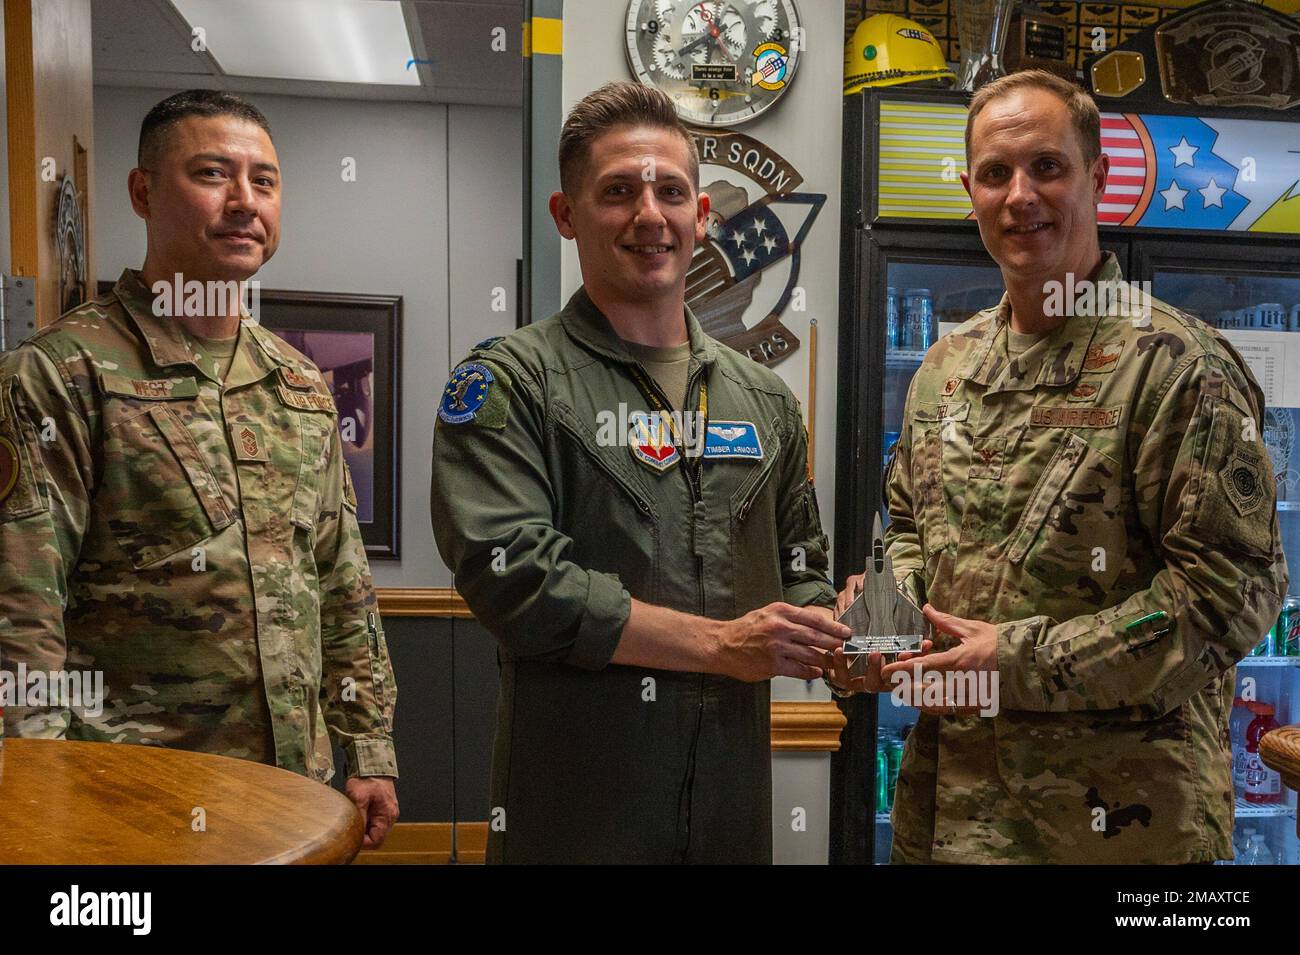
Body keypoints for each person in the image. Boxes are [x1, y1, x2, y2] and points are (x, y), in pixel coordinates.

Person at [828, 69, 1288, 863]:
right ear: (969, 190)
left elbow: (1227, 600)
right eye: (995, 174)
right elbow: (908, 528)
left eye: (1047, 166)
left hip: (1115, 831)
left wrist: (1017, 660)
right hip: (946, 821)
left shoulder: (1179, 365)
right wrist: (886, 621)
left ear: (1099, 178)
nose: (1020, 196)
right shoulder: (946, 368)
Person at [430, 81, 845, 864]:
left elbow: (799, 568)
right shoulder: (511, 383)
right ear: (566, 215)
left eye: (670, 191)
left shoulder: (766, 400)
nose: (649, 214)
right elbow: (516, 580)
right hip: (578, 816)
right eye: (617, 191)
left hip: (731, 814)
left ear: (703, 216)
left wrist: (838, 632)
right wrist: (723, 645)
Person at [0, 90, 398, 849]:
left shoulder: (297, 383)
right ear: (143, 191)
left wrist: (369, 744)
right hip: (129, 803)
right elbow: (19, 617)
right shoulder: (61, 375)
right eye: (213, 174)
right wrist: (33, 802)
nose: (245, 202)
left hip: (293, 797)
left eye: (265, 181)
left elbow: (341, 582)